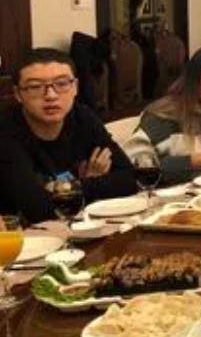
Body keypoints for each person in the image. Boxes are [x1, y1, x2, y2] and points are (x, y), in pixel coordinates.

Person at [0, 48, 137, 224]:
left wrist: (76, 186)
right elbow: (38, 208)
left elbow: (129, 179)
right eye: (35, 87)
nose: (51, 95)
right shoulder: (6, 132)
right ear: (18, 94)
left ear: (75, 87)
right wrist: (92, 184)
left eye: (62, 83)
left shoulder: (82, 118)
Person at [123, 46, 201, 184]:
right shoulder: (164, 116)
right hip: (165, 195)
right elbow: (132, 168)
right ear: (193, 79)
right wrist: (189, 162)